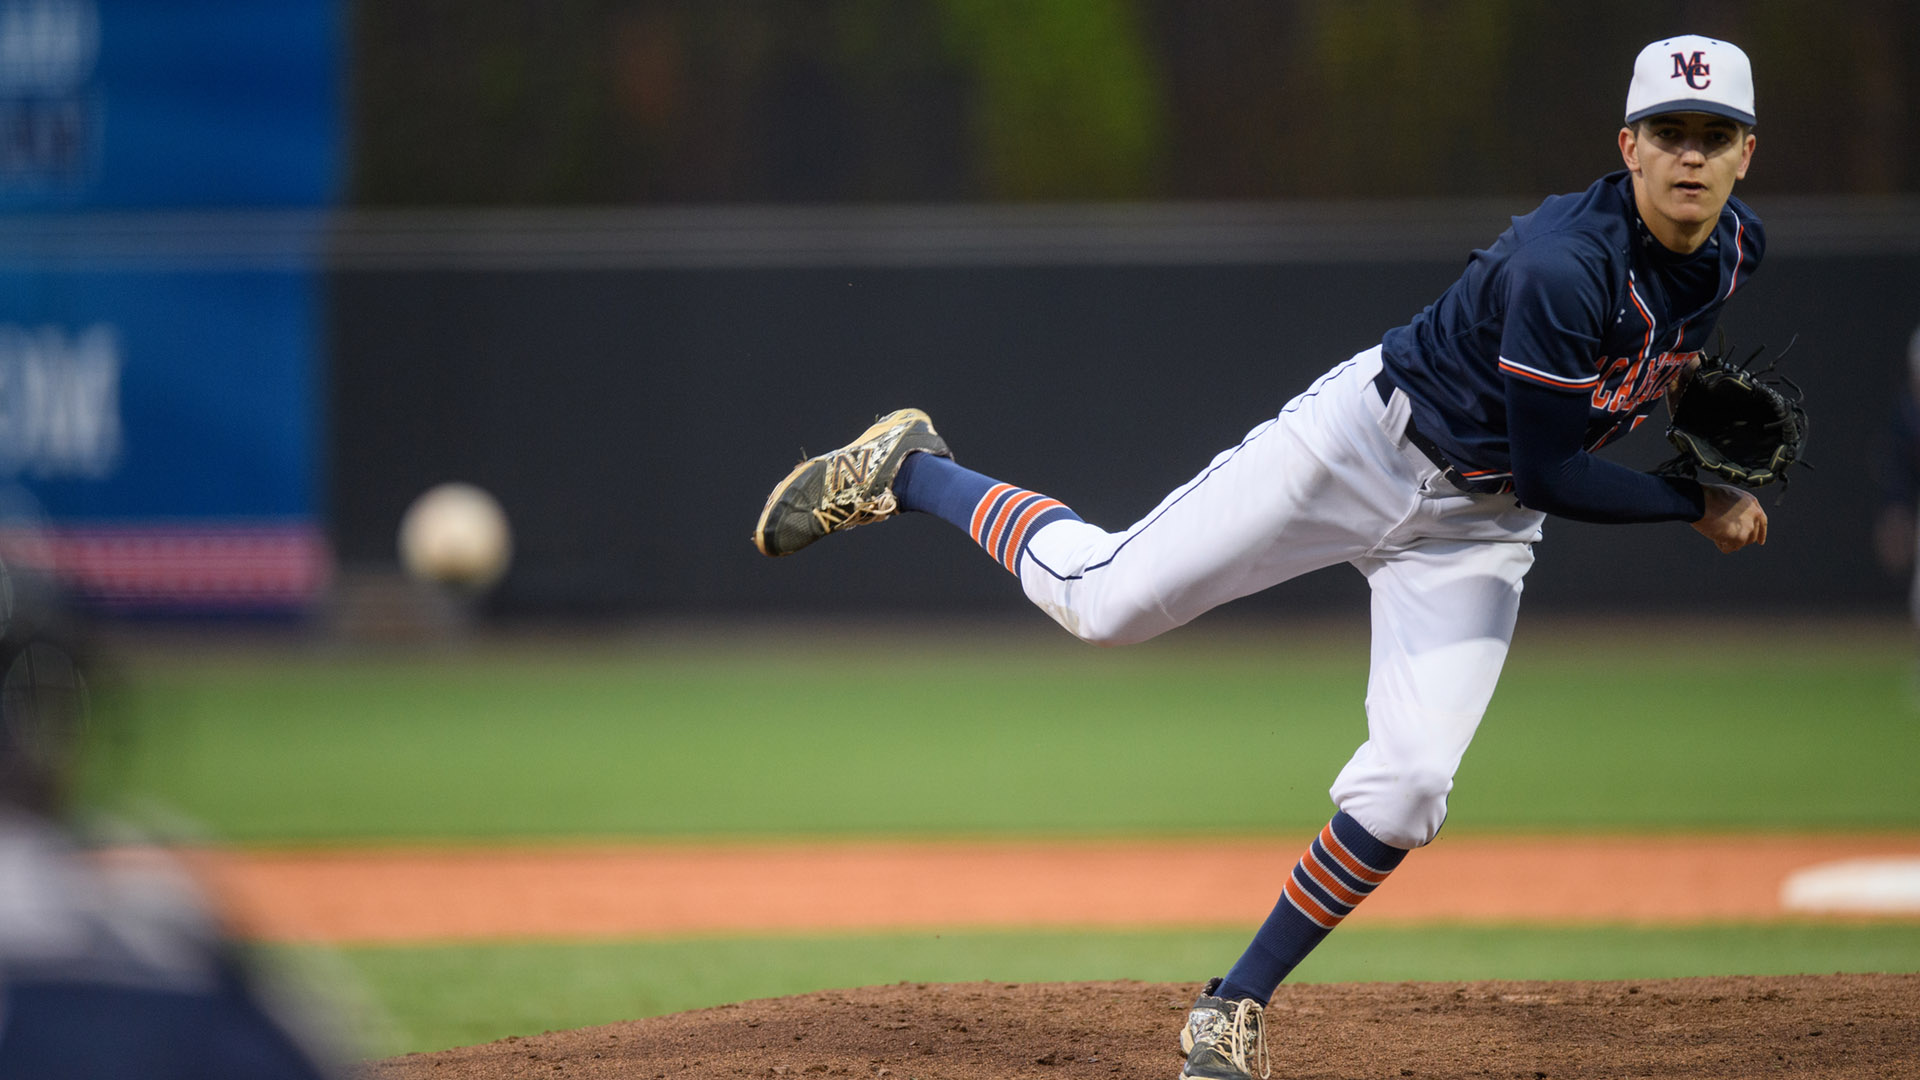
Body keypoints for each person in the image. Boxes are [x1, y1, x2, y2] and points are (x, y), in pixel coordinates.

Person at [753, 34, 1768, 1080]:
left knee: (1411, 788)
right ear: (1628, 146)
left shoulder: (1736, 249)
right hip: (1365, 447)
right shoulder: (1564, 264)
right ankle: (908, 471)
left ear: (1745, 154)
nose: (1690, 156)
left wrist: (1676, 399)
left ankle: (1233, 1005)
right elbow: (1557, 470)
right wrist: (1695, 499)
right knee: (1102, 602)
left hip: (1478, 524)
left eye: (1713, 136)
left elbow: (1634, 368)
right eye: (1669, 134)